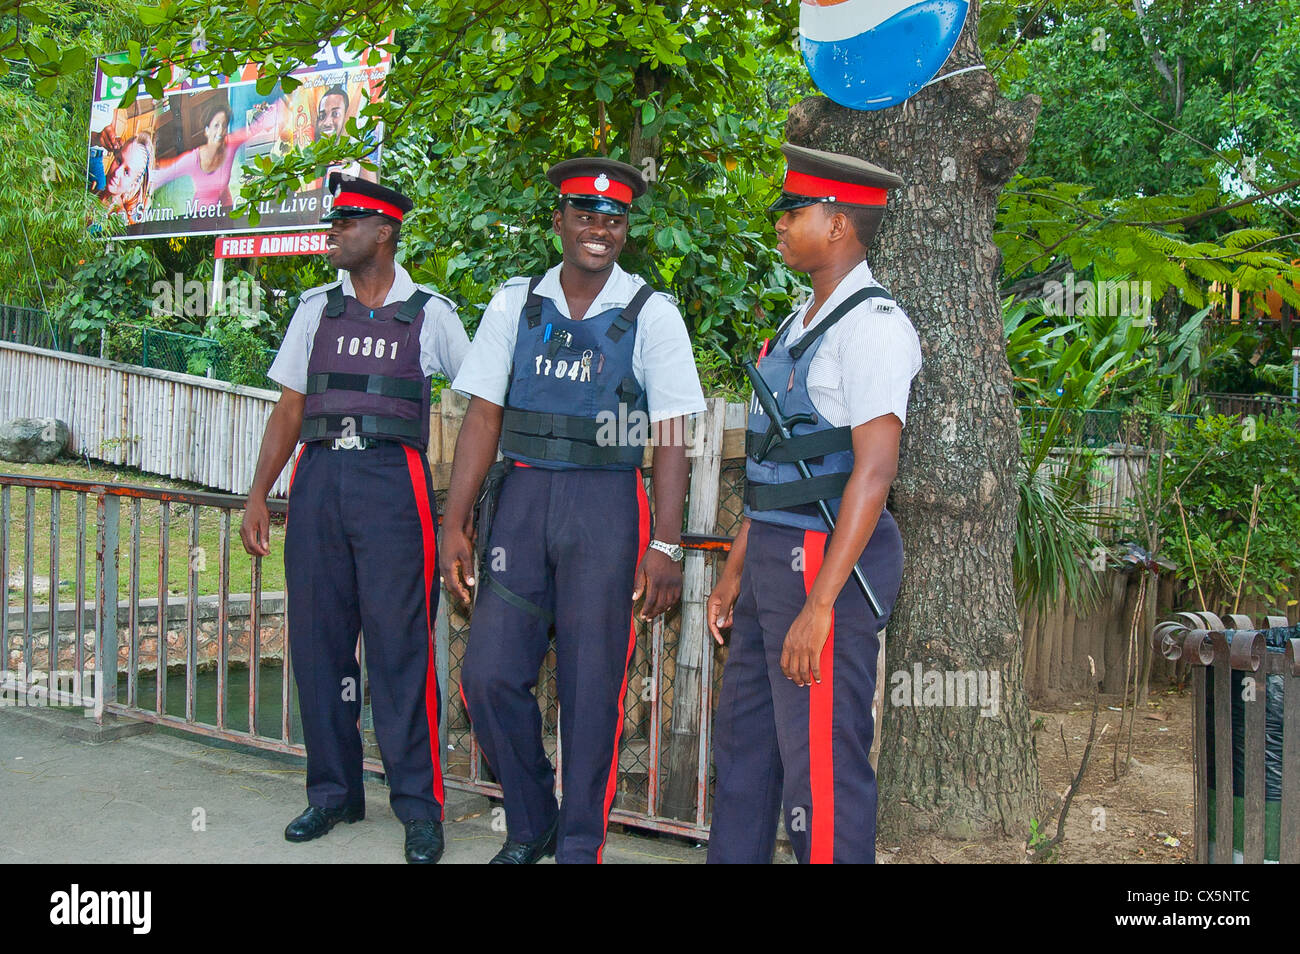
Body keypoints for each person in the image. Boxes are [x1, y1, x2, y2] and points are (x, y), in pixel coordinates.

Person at [440, 157, 705, 864]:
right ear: (558, 220)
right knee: (488, 675)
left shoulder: (652, 313)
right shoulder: (514, 305)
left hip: (606, 509)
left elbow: (673, 436)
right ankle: (532, 821)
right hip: (522, 505)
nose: (600, 229)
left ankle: (577, 846)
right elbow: (482, 417)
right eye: (585, 215)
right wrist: (454, 523)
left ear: (625, 231)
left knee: (593, 693)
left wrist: (669, 546)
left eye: (613, 219)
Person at [239, 173, 469, 864]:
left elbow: (484, 403)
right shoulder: (315, 311)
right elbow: (288, 408)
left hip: (391, 485)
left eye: (347, 223)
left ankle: (420, 808)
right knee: (318, 647)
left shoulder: (433, 315)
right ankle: (333, 792)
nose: (334, 233)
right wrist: (259, 493)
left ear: (385, 233)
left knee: (400, 652)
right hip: (318, 482)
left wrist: (470, 504)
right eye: (334, 222)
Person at [706, 144, 922, 864]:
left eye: (792, 212)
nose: (781, 223)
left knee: (823, 765)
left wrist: (822, 604)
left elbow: (873, 471)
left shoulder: (875, 326)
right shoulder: (801, 319)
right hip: (773, 552)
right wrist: (737, 567)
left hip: (823, 562)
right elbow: (775, 468)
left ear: (837, 225)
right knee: (744, 750)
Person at [152, 99, 283, 210]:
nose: (220, 131)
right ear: (206, 130)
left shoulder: (230, 143)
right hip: (203, 215)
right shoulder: (193, 159)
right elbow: (165, 173)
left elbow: (254, 129)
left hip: (226, 210)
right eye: (216, 126)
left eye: (224, 125)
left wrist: (280, 109)